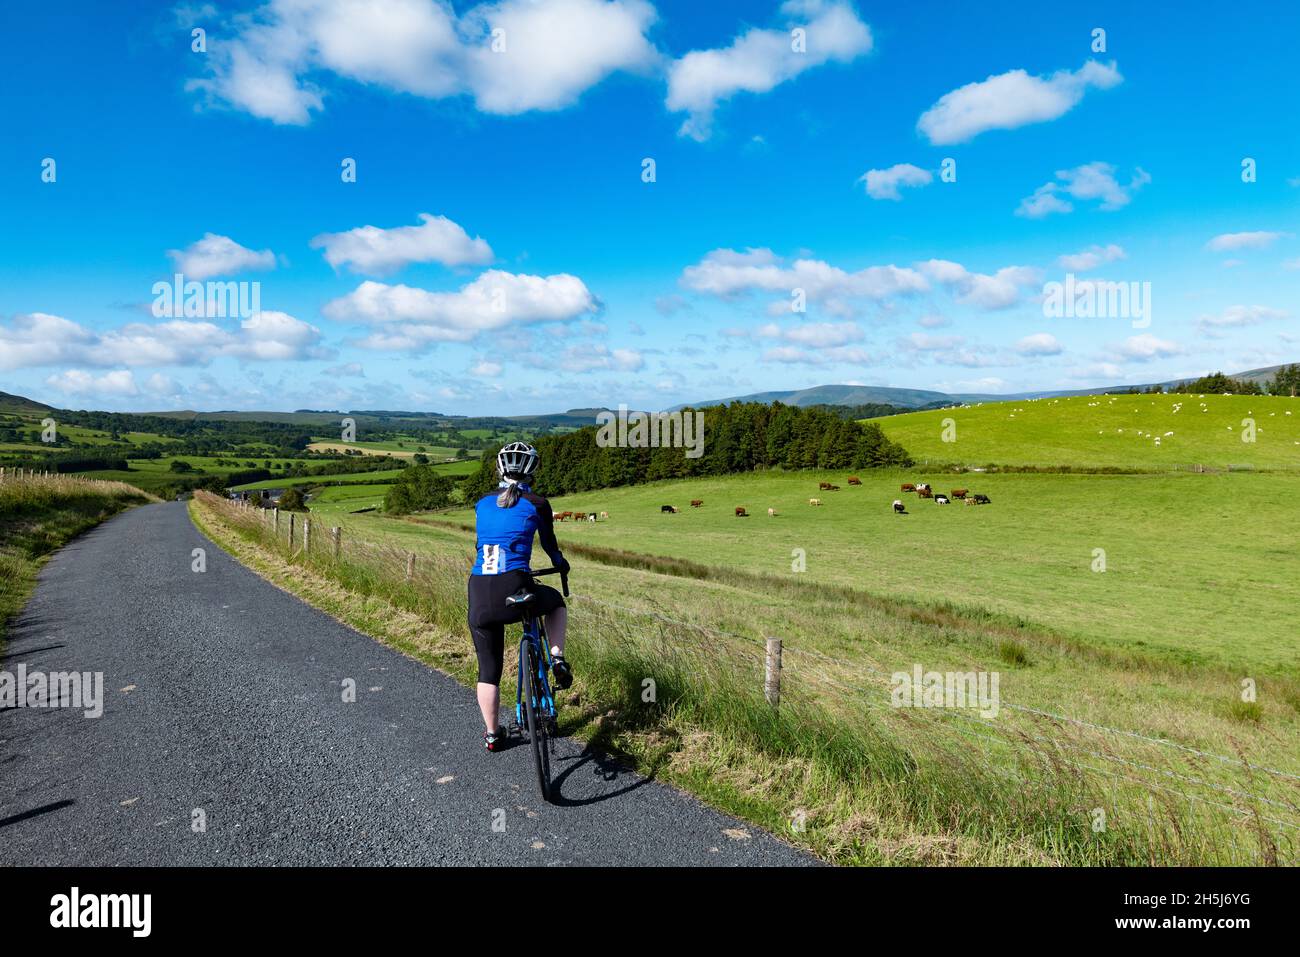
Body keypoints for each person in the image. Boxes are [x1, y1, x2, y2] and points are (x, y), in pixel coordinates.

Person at [467, 441, 571, 752]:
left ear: (499, 469)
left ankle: (492, 735)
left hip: (478, 590)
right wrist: (560, 563)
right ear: (533, 471)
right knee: (555, 603)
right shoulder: (538, 503)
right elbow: (550, 547)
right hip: (514, 587)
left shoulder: (482, 503)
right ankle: (556, 658)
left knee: (488, 669)